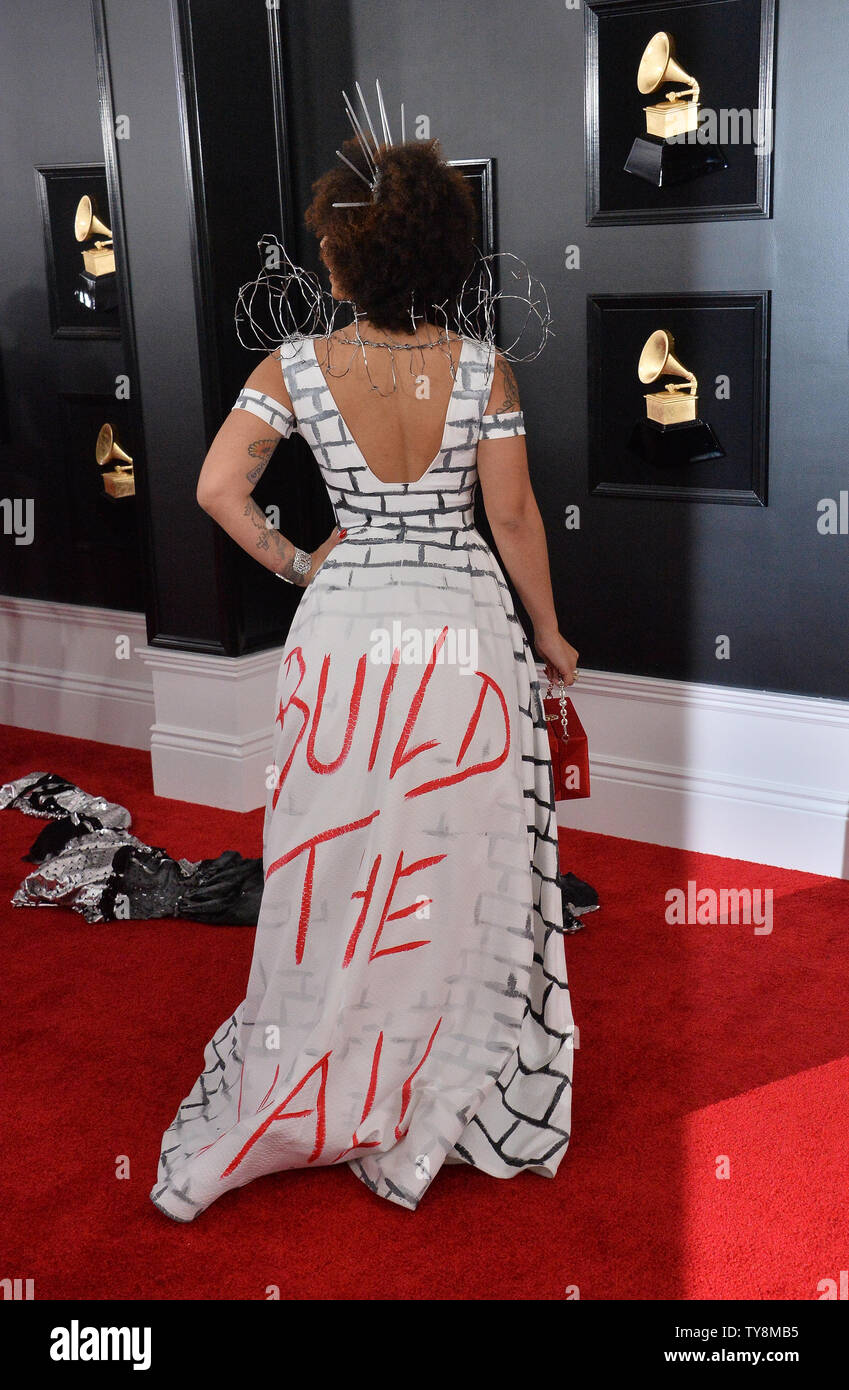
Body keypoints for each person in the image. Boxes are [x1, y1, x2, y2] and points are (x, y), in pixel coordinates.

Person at [150, 89, 580, 1221]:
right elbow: (519, 519)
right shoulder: (485, 370)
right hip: (462, 636)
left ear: (340, 262)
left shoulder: (292, 366)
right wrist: (551, 633)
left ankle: (332, 1050)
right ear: (444, 257)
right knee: (453, 862)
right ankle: (442, 1063)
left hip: (343, 632)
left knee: (338, 856)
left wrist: (298, 565)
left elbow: (215, 489)